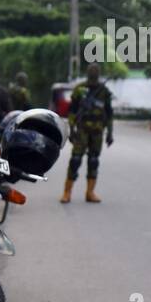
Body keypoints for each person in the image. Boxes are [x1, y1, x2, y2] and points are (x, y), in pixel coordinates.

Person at [60, 62, 114, 204]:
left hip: (97, 131)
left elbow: (109, 113)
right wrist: (71, 130)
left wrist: (110, 133)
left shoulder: (104, 92)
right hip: (82, 131)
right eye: (92, 70)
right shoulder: (80, 89)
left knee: (94, 160)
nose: (94, 72)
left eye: (96, 70)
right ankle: (67, 192)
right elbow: (72, 111)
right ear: (87, 72)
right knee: (75, 160)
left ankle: (90, 192)